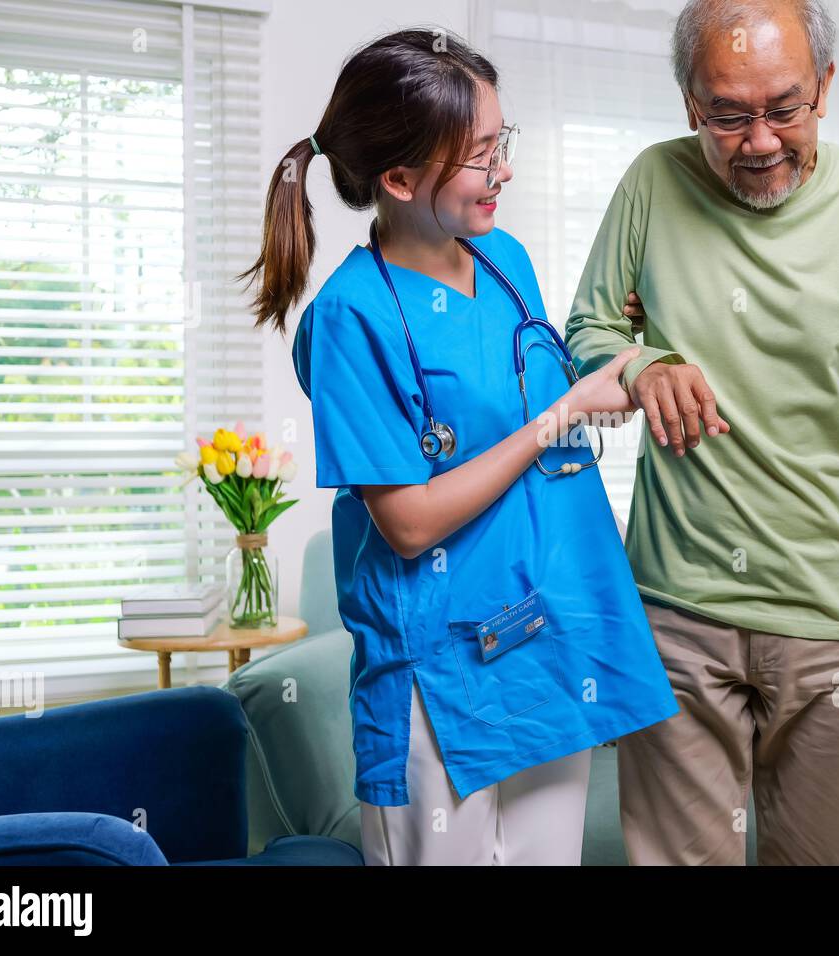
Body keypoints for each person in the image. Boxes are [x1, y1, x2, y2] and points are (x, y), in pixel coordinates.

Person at [565, 0, 839, 865]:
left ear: (827, 88)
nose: (760, 140)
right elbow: (587, 331)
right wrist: (643, 364)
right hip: (677, 610)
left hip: (830, 615)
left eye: (784, 108)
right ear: (691, 103)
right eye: (728, 115)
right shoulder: (652, 183)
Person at [241, 28, 678, 866]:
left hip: (549, 641)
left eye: (499, 143)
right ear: (399, 179)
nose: (502, 170)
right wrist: (563, 415)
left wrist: (610, 383)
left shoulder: (506, 260)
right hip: (439, 672)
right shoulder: (351, 318)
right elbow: (407, 523)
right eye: (480, 154)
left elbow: (532, 416)